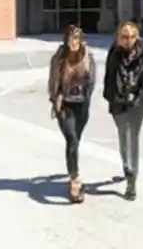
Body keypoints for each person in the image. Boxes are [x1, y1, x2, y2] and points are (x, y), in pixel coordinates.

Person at [104, 20, 143, 200]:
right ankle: (126, 166)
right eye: (124, 37)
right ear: (118, 37)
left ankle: (132, 179)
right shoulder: (113, 54)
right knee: (123, 138)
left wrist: (138, 96)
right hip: (118, 103)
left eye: (132, 36)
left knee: (133, 139)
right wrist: (112, 98)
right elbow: (109, 79)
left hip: (136, 104)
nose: (129, 40)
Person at [47, 25, 96, 203]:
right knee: (72, 139)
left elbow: (92, 82)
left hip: (82, 107)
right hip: (65, 106)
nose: (72, 42)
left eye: (76, 38)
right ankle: (75, 180)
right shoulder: (59, 58)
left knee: (75, 141)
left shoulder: (88, 58)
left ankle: (72, 168)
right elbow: (52, 82)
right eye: (69, 39)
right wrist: (55, 100)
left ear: (81, 40)